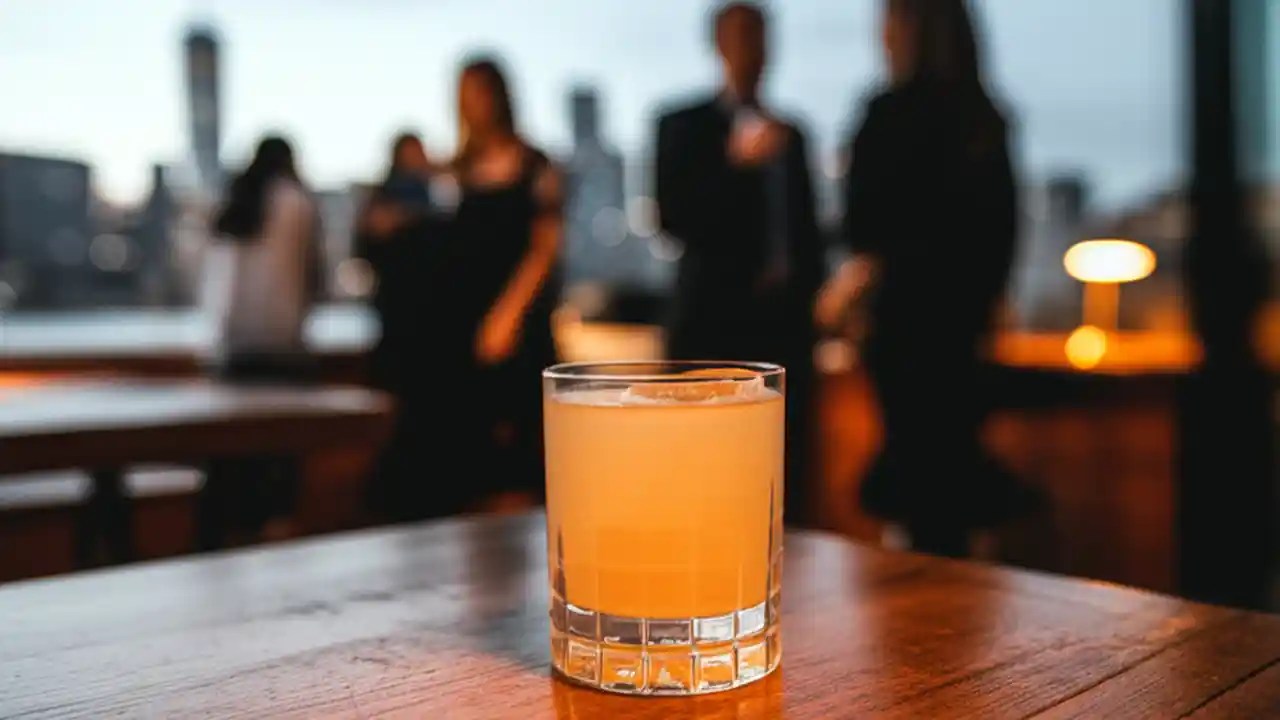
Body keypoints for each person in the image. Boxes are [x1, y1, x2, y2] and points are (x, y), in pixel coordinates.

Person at [839, 0, 1038, 556]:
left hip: (903, 326)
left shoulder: (889, 113)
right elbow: (1004, 232)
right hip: (963, 329)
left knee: (914, 479)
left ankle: (925, 621)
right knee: (950, 471)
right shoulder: (984, 118)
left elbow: (861, 226)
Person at [655, 2, 825, 527]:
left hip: (784, 329)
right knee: (702, 474)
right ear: (719, 45)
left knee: (784, 479)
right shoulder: (681, 126)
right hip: (711, 326)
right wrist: (735, 167)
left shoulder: (792, 133)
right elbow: (675, 217)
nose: (754, 50)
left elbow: (807, 231)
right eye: (743, 37)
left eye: (762, 37)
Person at [435, 56, 562, 515]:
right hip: (462, 328)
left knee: (519, 466)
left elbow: (545, 249)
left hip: (517, 329)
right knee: (470, 471)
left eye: (481, 93)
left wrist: (508, 315)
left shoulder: (534, 164)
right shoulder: (454, 168)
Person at [199, 135, 321, 548]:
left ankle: (228, 558)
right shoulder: (297, 203)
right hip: (284, 351)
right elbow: (312, 280)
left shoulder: (233, 204)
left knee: (232, 472)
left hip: (233, 353)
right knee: (279, 478)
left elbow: (215, 290)